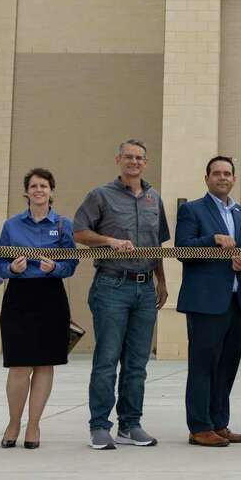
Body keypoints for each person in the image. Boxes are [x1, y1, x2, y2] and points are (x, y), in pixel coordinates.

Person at [74, 139, 170, 451]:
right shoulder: (100, 195)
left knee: (137, 363)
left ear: (145, 162)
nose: (134, 162)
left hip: (145, 288)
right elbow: (79, 233)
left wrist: (162, 282)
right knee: (107, 359)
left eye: (139, 158)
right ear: (118, 160)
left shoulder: (154, 199)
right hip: (111, 286)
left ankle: (130, 424)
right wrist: (108, 241)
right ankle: (100, 426)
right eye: (128, 157)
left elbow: (157, 244)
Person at [174, 156, 241, 448]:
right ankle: (200, 427)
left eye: (227, 173)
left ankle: (219, 423)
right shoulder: (192, 210)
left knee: (227, 366)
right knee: (203, 366)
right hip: (205, 303)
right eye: (217, 173)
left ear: (234, 178)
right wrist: (212, 239)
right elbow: (183, 250)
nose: (222, 177)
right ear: (207, 178)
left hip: (237, 300)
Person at [0, 168, 78, 449]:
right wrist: (12, 269)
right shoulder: (12, 225)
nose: (39, 190)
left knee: (44, 364)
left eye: (44, 186)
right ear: (26, 192)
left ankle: (34, 425)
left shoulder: (63, 225)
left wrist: (55, 267)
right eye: (33, 186)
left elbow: (72, 264)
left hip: (51, 297)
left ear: (51, 191)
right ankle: (13, 422)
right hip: (19, 297)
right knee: (19, 366)